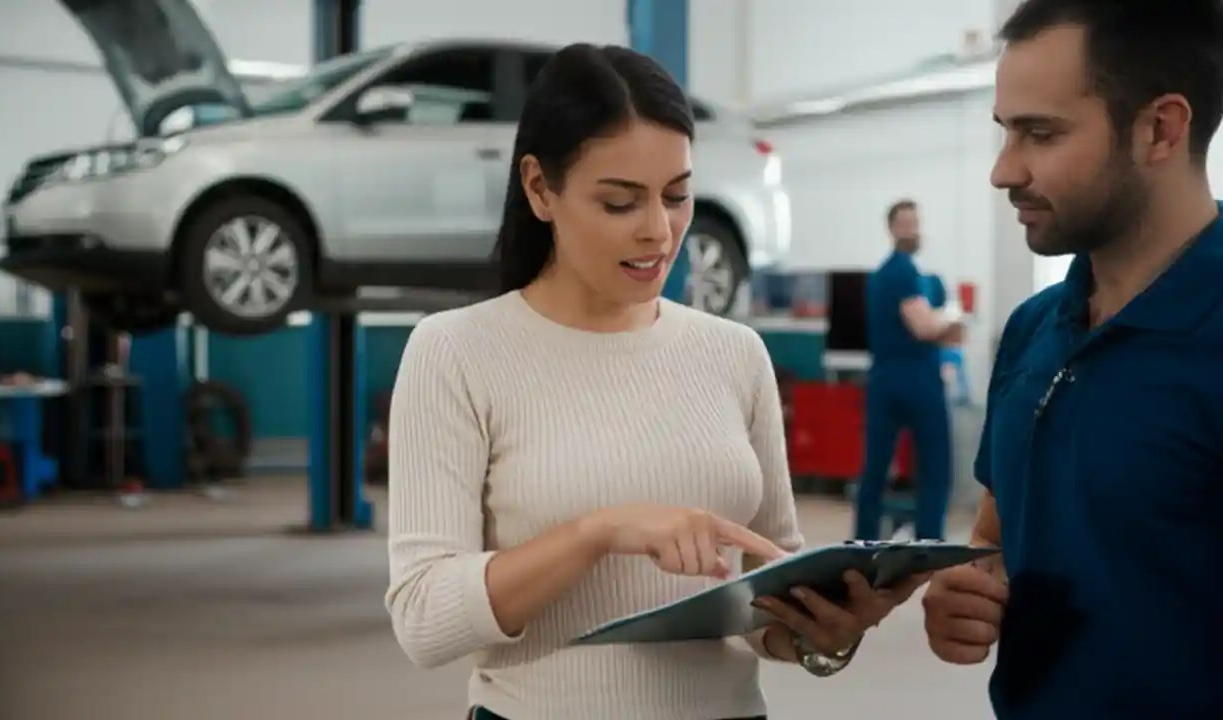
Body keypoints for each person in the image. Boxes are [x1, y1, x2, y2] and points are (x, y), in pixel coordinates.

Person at [384, 43, 926, 720]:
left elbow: (764, 598)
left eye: (677, 196)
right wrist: (598, 533)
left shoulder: (734, 354)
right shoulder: (457, 353)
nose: (659, 232)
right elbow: (424, 618)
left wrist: (822, 631)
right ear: (539, 188)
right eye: (620, 203)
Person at [922, 1, 1223, 717]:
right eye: (1005, 131)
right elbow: (994, 536)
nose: (1003, 170)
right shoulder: (1033, 329)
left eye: (1040, 134)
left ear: (1161, 129)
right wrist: (969, 591)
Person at [856, 201, 963, 541]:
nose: (912, 230)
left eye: (915, 222)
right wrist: (953, 319)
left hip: (886, 379)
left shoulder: (897, 276)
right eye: (905, 223)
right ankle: (929, 545)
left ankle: (863, 544)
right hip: (914, 380)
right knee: (935, 468)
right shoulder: (901, 271)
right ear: (891, 228)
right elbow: (925, 328)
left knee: (875, 471)